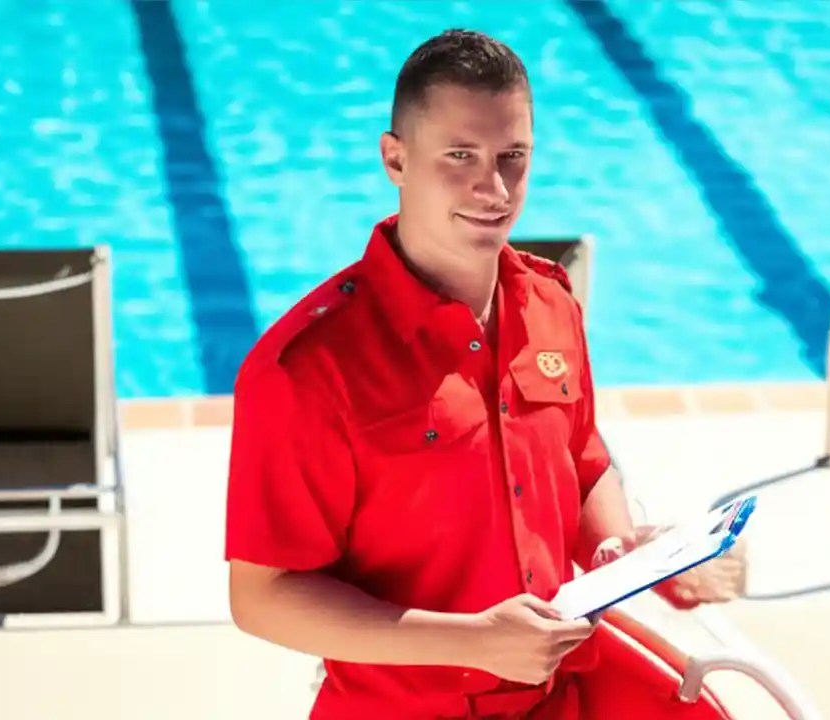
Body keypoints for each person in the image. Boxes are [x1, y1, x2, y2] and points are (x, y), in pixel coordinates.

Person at [224, 29, 745, 719]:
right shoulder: (309, 368)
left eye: (513, 158)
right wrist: (473, 642)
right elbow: (264, 595)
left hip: (564, 696)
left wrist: (626, 550)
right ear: (395, 158)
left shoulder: (552, 303)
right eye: (460, 156)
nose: (492, 188)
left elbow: (584, 465)